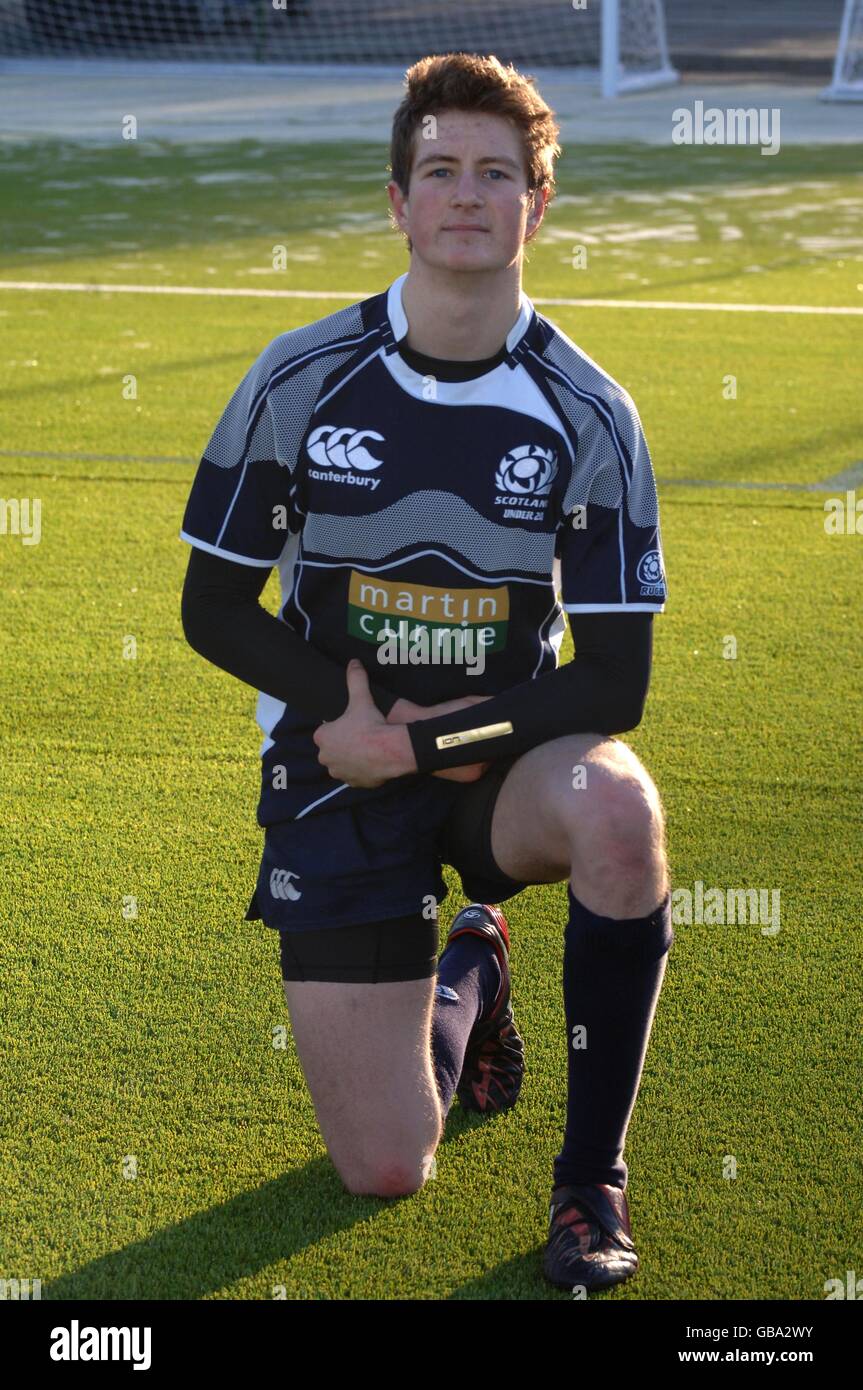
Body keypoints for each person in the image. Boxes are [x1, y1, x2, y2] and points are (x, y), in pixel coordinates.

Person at [180, 51, 672, 1293]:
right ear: (398, 202)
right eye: (440, 170)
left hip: (494, 761)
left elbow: (612, 682)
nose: (467, 194)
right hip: (333, 765)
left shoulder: (588, 411)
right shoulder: (300, 376)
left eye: (495, 174)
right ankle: (473, 961)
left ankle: (587, 1189)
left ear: (534, 206)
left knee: (620, 807)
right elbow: (211, 606)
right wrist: (341, 714)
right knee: (385, 1167)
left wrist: (418, 741)